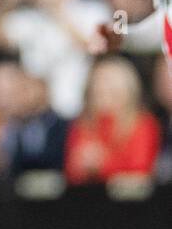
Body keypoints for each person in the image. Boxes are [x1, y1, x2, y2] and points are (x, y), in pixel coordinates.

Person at [0, 0, 110, 120]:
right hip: (32, 108)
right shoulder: (33, 15)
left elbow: (94, 46)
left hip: (73, 109)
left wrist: (55, 8)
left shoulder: (93, 8)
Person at [64, 56, 160, 185]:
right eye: (98, 83)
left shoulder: (143, 124)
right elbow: (71, 172)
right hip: (88, 198)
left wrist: (102, 165)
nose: (101, 88)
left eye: (109, 84)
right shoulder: (82, 124)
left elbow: (140, 171)